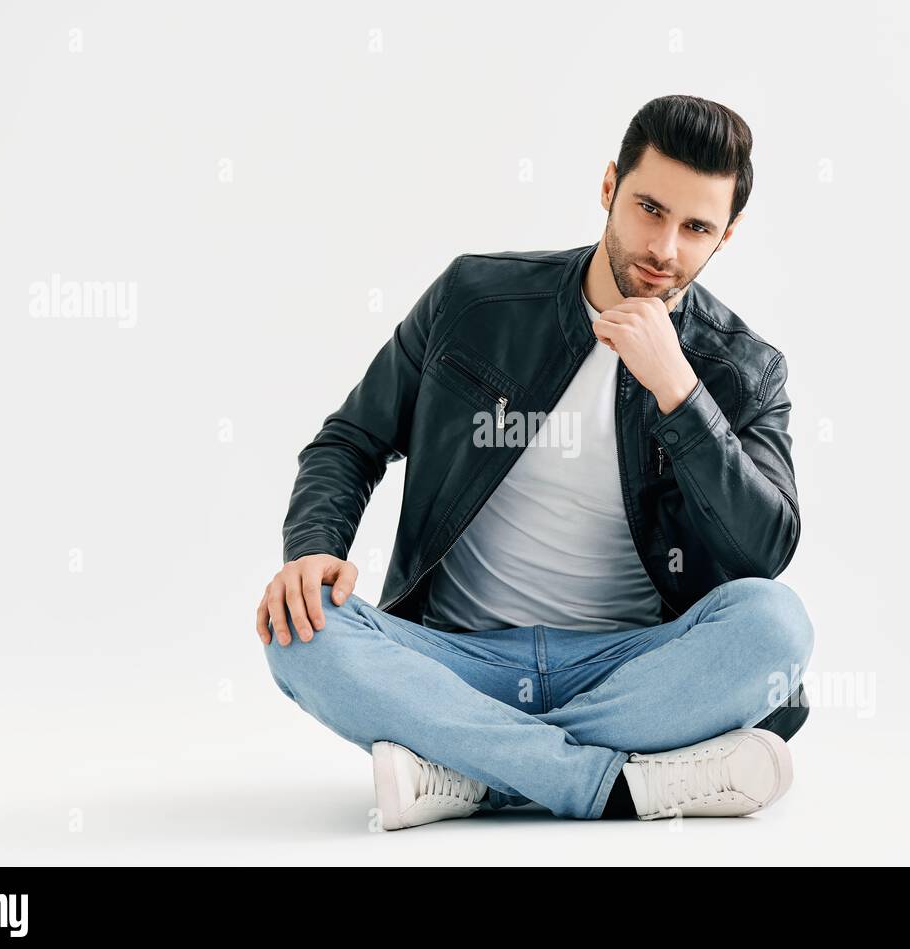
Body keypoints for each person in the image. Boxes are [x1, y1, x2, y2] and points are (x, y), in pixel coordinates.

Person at [257, 94, 815, 830]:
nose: (665, 248)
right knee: (301, 628)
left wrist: (681, 394)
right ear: (610, 185)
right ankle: (613, 781)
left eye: (696, 227)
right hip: (455, 660)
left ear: (727, 235)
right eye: (650, 208)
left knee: (778, 626)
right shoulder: (474, 300)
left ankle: (472, 772)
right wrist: (314, 551)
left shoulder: (743, 369)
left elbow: (763, 551)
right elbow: (351, 440)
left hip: (629, 667)